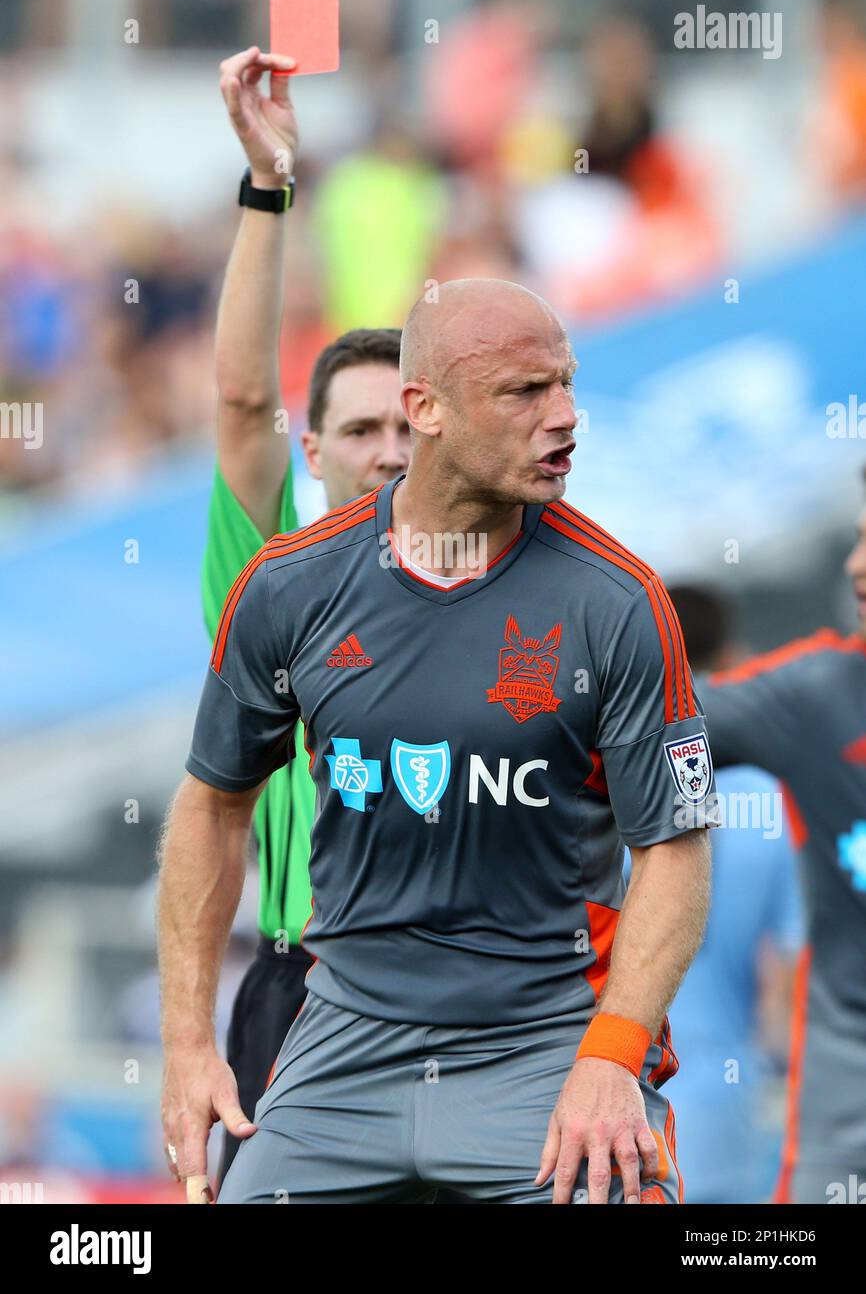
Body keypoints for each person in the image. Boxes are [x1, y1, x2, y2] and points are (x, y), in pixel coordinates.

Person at [160, 274, 716, 1205]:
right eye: (525, 392)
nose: (567, 417)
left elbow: (675, 849)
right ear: (426, 409)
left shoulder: (617, 601)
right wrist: (185, 1046)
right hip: (343, 1035)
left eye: (567, 384)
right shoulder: (292, 586)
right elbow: (214, 805)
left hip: (545, 1042)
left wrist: (613, 1057)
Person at [195, 44, 410, 1190]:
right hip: (300, 984)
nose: (385, 452)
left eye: (404, 429)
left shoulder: (507, 573)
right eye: (358, 430)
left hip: (469, 996)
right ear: (311, 448)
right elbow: (236, 399)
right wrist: (268, 185)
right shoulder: (271, 573)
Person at [696, 477, 866, 1204]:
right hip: (840, 1094)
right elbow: (624, 722)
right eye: (858, 538)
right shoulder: (816, 694)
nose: (856, 565)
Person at [663, 585, 802, 1204]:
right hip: (735, 1125)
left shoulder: (598, 797)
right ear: (733, 659)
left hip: (615, 1119)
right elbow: (786, 998)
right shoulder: (778, 803)